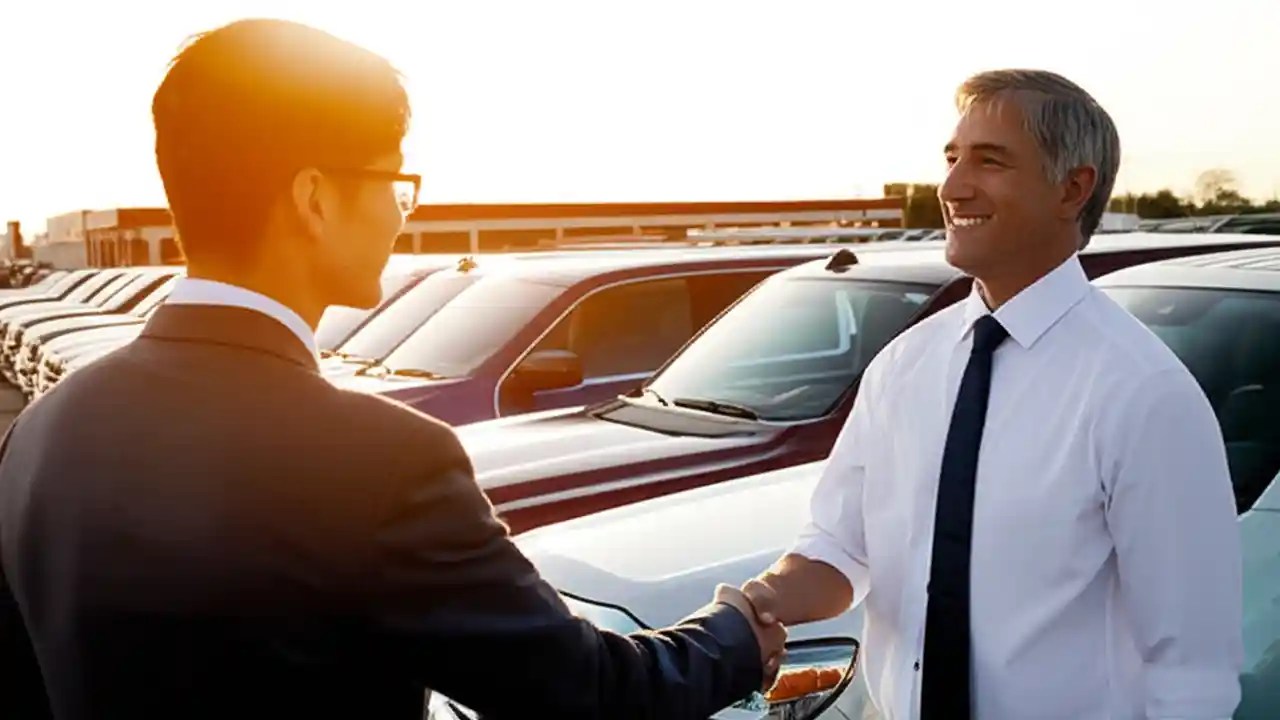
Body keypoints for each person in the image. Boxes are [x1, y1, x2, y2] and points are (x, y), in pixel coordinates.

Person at [0, 19, 784, 720]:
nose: (400, 215)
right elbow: (585, 693)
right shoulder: (377, 462)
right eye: (395, 182)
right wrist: (733, 640)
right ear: (314, 197)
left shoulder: (45, 431)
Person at [737, 69, 1243, 719]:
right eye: (951, 158)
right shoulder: (903, 368)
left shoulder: (1144, 394)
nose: (951, 187)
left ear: (1073, 188)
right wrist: (754, 604)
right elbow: (839, 549)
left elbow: (1192, 671)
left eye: (989, 160)